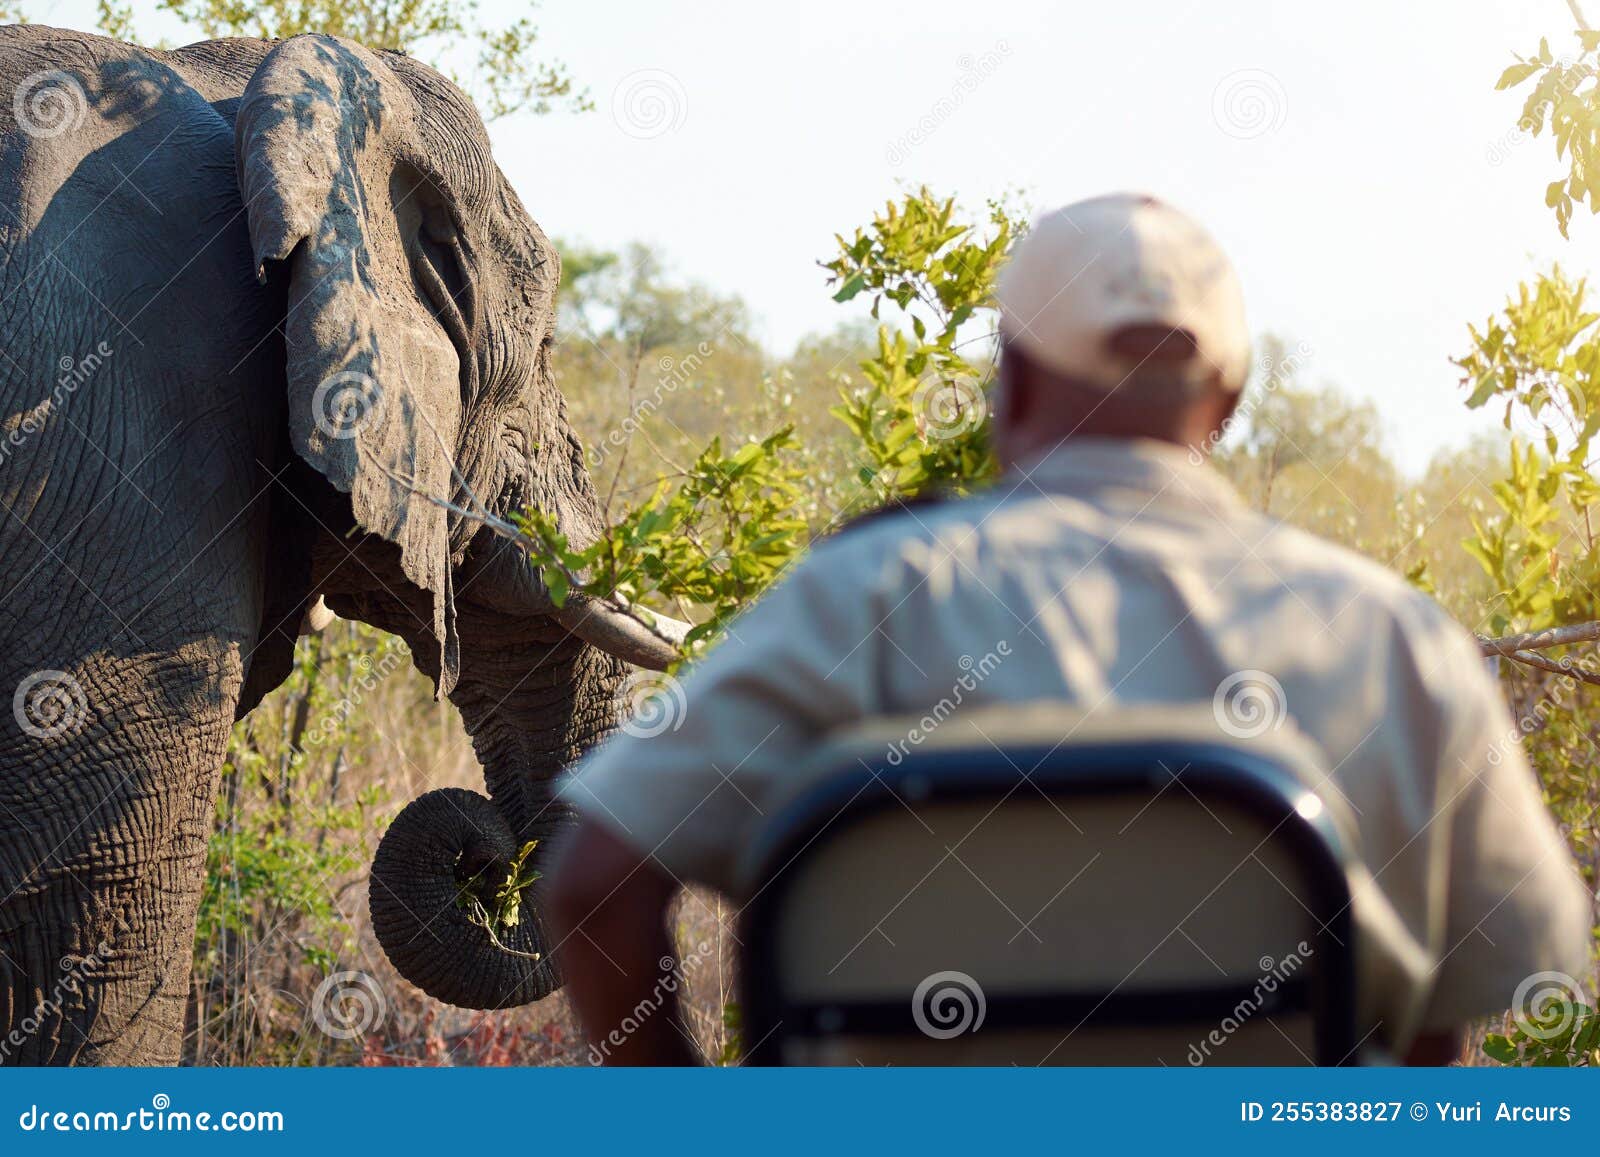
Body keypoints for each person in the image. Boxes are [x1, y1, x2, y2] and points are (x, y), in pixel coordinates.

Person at [546, 193, 1593, 1066]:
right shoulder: (1396, 642)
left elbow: (595, 885)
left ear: (1014, 370)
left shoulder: (866, 597)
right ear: (1225, 392)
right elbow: (1455, 1004)